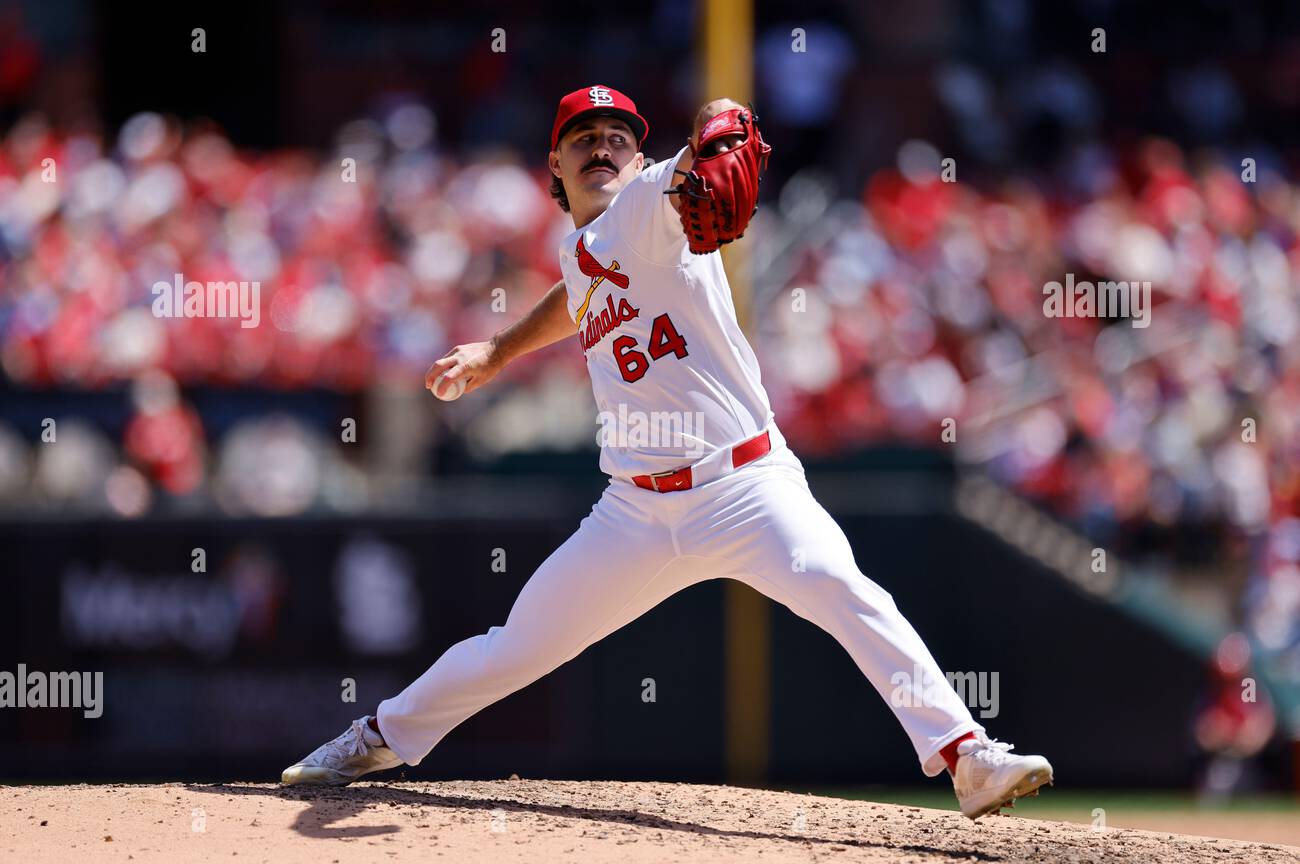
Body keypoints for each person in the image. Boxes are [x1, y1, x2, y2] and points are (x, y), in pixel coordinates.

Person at [282, 85, 1053, 819]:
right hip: (635, 513)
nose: (604, 148)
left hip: (746, 485)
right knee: (516, 647)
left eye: (618, 137)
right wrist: (497, 350)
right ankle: (377, 738)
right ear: (555, 166)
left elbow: (700, 149)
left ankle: (967, 755)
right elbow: (577, 291)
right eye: (583, 139)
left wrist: (717, 122)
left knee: (843, 588)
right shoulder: (582, 251)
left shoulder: (652, 199)